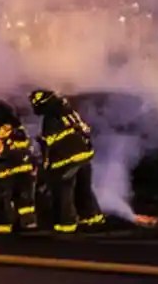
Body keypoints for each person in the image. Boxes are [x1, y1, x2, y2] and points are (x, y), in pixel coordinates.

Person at [30, 89, 103, 233]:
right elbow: (84, 130)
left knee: (63, 192)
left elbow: (50, 143)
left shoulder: (51, 117)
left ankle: (66, 225)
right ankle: (93, 218)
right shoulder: (68, 111)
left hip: (66, 160)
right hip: (84, 156)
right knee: (83, 189)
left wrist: (45, 162)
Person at [0, 121, 37, 235]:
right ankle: (26, 224)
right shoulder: (22, 137)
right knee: (24, 200)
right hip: (24, 174)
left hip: (5, 175)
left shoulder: (3, 143)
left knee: (2, 201)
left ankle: (4, 229)